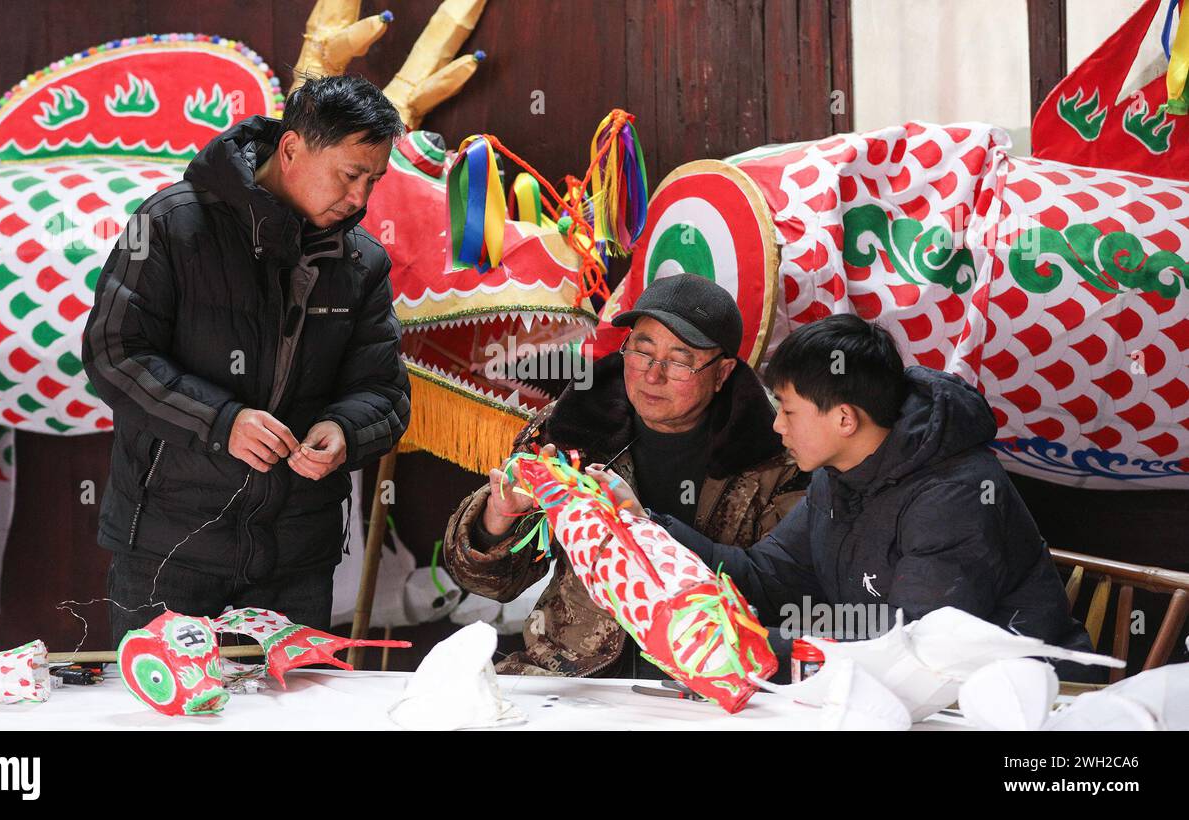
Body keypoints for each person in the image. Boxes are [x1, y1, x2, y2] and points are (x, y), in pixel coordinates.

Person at [83, 76, 411, 644]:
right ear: (291, 150)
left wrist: (343, 431)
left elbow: (384, 393)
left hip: (296, 561)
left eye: (373, 180)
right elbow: (114, 354)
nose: (359, 198)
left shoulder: (362, 263)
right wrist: (221, 422)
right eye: (349, 174)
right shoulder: (172, 223)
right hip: (168, 548)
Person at [612, 314, 1097, 678]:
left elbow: (913, 647)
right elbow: (766, 578)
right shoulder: (838, 472)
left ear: (844, 419)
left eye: (789, 410)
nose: (776, 425)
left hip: (1021, 698)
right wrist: (645, 524)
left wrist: (753, 643)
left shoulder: (956, 496)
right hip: (903, 692)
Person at [443, 274, 807, 678]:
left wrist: (646, 528)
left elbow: (780, 591)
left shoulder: (777, 456)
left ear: (721, 374)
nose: (653, 375)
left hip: (708, 682)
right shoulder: (570, 429)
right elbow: (491, 583)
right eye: (641, 350)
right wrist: (499, 519)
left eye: (680, 360)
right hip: (570, 676)